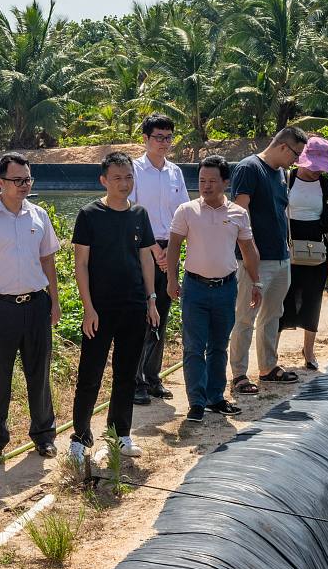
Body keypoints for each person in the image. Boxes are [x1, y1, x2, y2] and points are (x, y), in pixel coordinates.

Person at [0, 153, 61, 465]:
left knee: (39, 373)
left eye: (28, 179)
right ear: (0, 182)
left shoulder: (38, 215)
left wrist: (55, 301)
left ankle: (44, 435)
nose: (24, 185)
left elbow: (48, 260)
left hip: (35, 304)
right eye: (17, 180)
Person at [69, 152, 160, 465]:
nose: (124, 183)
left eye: (129, 177)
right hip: (100, 309)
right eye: (118, 178)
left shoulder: (139, 214)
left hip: (134, 306)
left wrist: (151, 300)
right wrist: (88, 308)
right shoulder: (89, 214)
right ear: (104, 180)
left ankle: (120, 435)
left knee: (126, 376)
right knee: (90, 375)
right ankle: (79, 439)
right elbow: (81, 264)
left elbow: (145, 258)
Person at [167, 156, 263, 420]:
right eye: (201, 181)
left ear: (225, 182)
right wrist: (171, 280)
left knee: (219, 345)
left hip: (226, 287)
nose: (206, 186)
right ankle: (196, 402)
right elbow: (174, 245)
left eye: (211, 181)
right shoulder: (186, 210)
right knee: (194, 347)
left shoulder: (238, 213)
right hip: (194, 288)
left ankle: (216, 397)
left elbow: (249, 250)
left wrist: (256, 282)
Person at [227, 126, 309, 395]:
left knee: (273, 314)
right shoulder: (249, 168)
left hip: (280, 255)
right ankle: (238, 374)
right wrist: (250, 254)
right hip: (255, 259)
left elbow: (281, 211)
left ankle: (268, 367)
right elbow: (240, 212)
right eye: (295, 154)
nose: (296, 161)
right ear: (283, 147)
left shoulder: (281, 173)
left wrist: (287, 245)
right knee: (245, 316)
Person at [129, 114, 190, 406]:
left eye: (168, 137)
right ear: (145, 139)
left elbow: (183, 214)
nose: (164, 143)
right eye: (158, 137)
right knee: (143, 313)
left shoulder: (175, 172)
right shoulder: (134, 171)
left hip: (170, 249)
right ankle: (135, 379)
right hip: (142, 249)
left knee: (161, 313)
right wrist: (154, 250)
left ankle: (153, 377)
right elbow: (131, 215)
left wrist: (173, 252)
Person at [279, 136, 328, 371]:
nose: (317, 172)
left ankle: (308, 350)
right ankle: (271, 353)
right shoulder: (287, 180)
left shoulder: (326, 186)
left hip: (316, 248)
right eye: (314, 167)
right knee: (283, 299)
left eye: (321, 168)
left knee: (313, 299)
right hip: (288, 246)